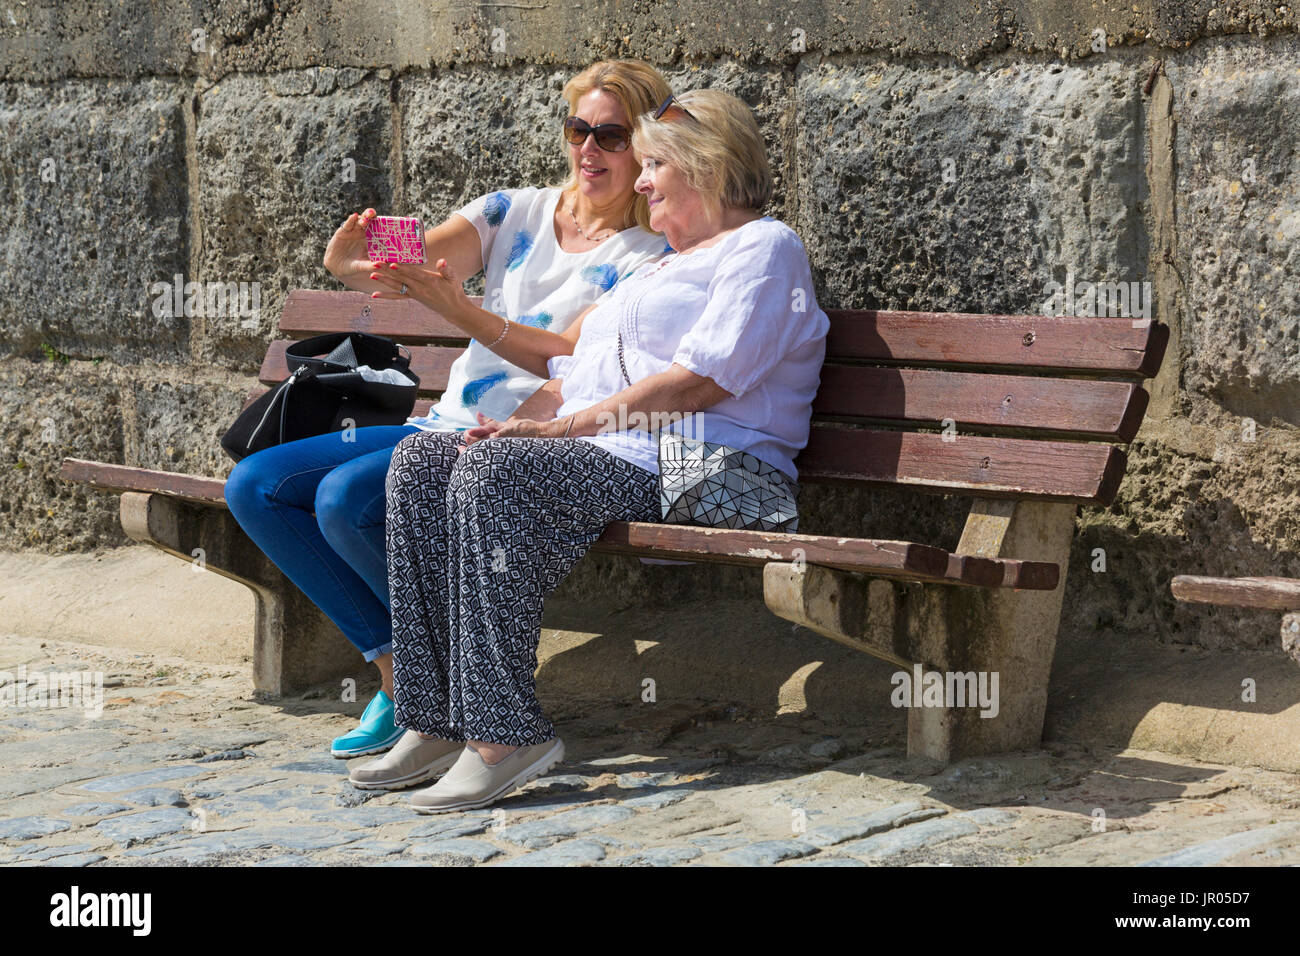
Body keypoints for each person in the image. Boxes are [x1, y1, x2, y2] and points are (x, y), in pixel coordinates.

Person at [358, 89, 830, 812]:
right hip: (627, 454)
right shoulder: (660, 267)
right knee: (425, 463)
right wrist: (508, 427)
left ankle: (505, 733)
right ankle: (438, 714)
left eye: (654, 166)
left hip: (717, 465)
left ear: (705, 166)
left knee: (494, 476)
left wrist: (560, 434)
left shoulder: (764, 247)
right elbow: (570, 375)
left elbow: (701, 382)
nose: (640, 184)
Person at [223, 60, 673, 765]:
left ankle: (430, 698)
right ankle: (402, 673)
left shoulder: (650, 257)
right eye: (578, 129)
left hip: (507, 439)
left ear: (645, 146)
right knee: (256, 486)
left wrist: (462, 312)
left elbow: (569, 361)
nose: (589, 149)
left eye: (611, 136)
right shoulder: (510, 210)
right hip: (437, 424)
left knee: (343, 499)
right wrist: (353, 262)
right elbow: (408, 261)